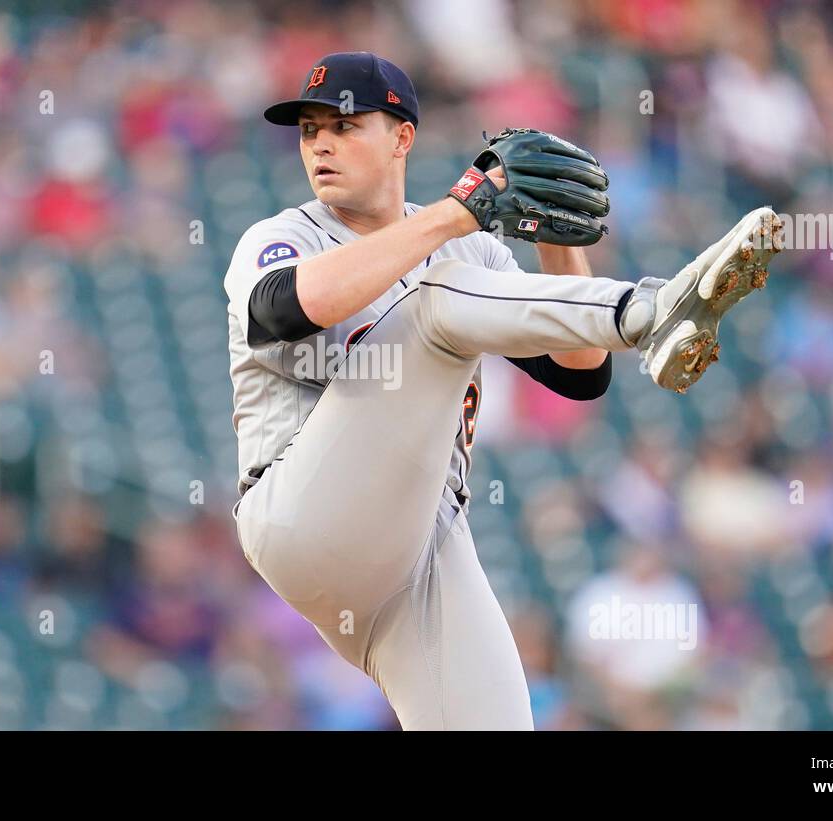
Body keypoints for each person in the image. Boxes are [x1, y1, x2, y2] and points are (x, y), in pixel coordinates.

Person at [224, 52, 780, 729]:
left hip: (416, 556)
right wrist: (454, 217)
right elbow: (281, 310)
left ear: (402, 137)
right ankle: (653, 309)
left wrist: (556, 240)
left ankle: (648, 313)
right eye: (310, 130)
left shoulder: (466, 247)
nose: (322, 144)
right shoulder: (285, 235)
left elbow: (579, 372)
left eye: (344, 124)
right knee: (435, 301)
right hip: (302, 510)